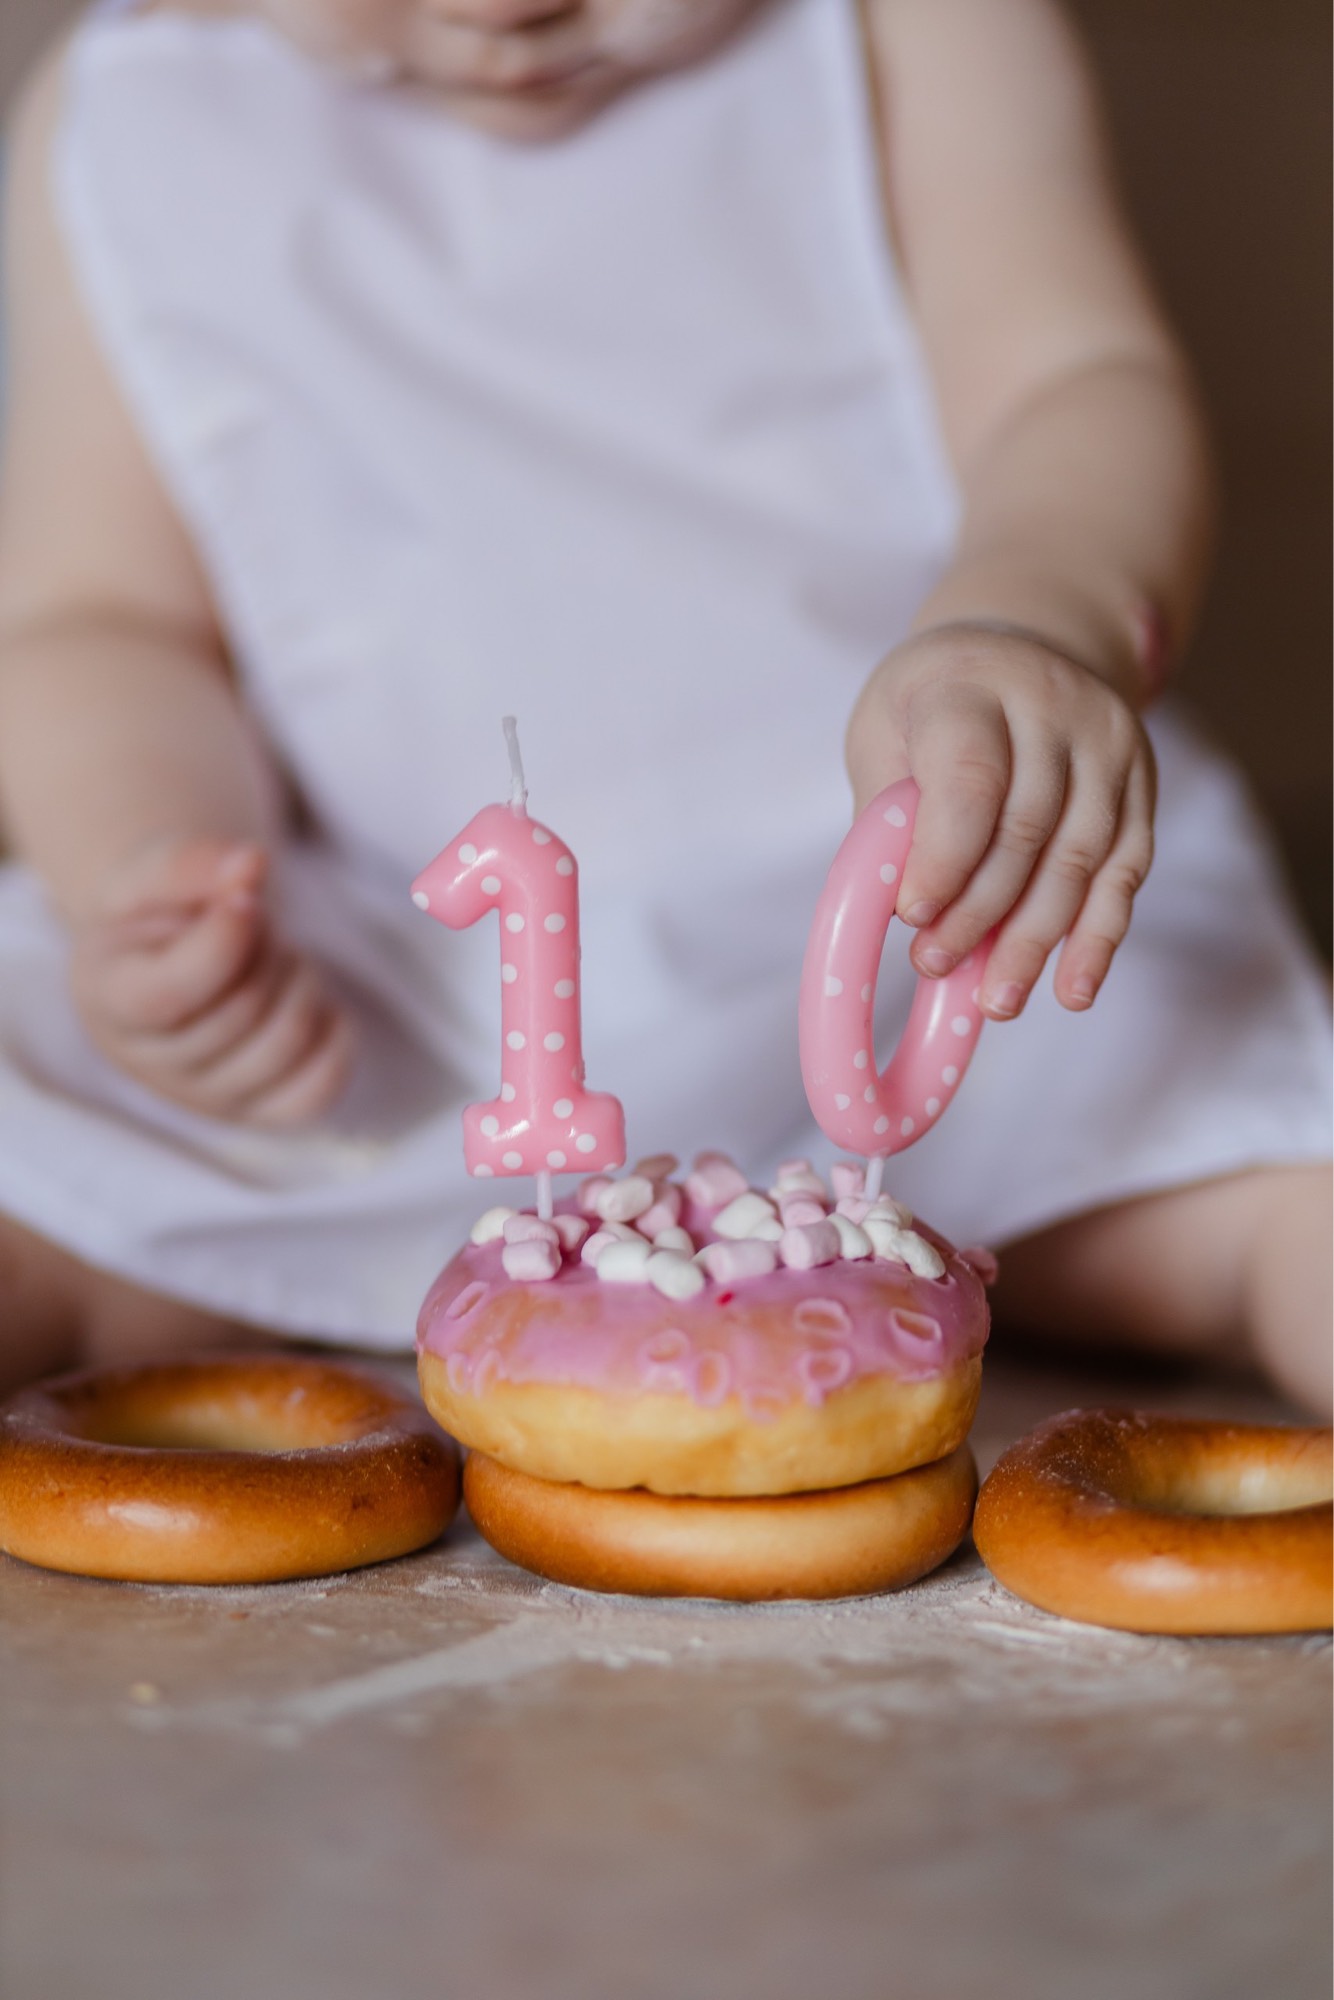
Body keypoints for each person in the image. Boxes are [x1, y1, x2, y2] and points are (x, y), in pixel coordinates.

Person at [0, 0, 1328, 1408]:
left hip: (922, 943)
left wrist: (1037, 615)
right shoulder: (131, 118)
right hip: (404, 991)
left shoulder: (909, 29)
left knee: (1246, 1166)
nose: (501, 9)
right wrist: (150, 876)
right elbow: (104, 620)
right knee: (57, 1174)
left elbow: (1071, 382)